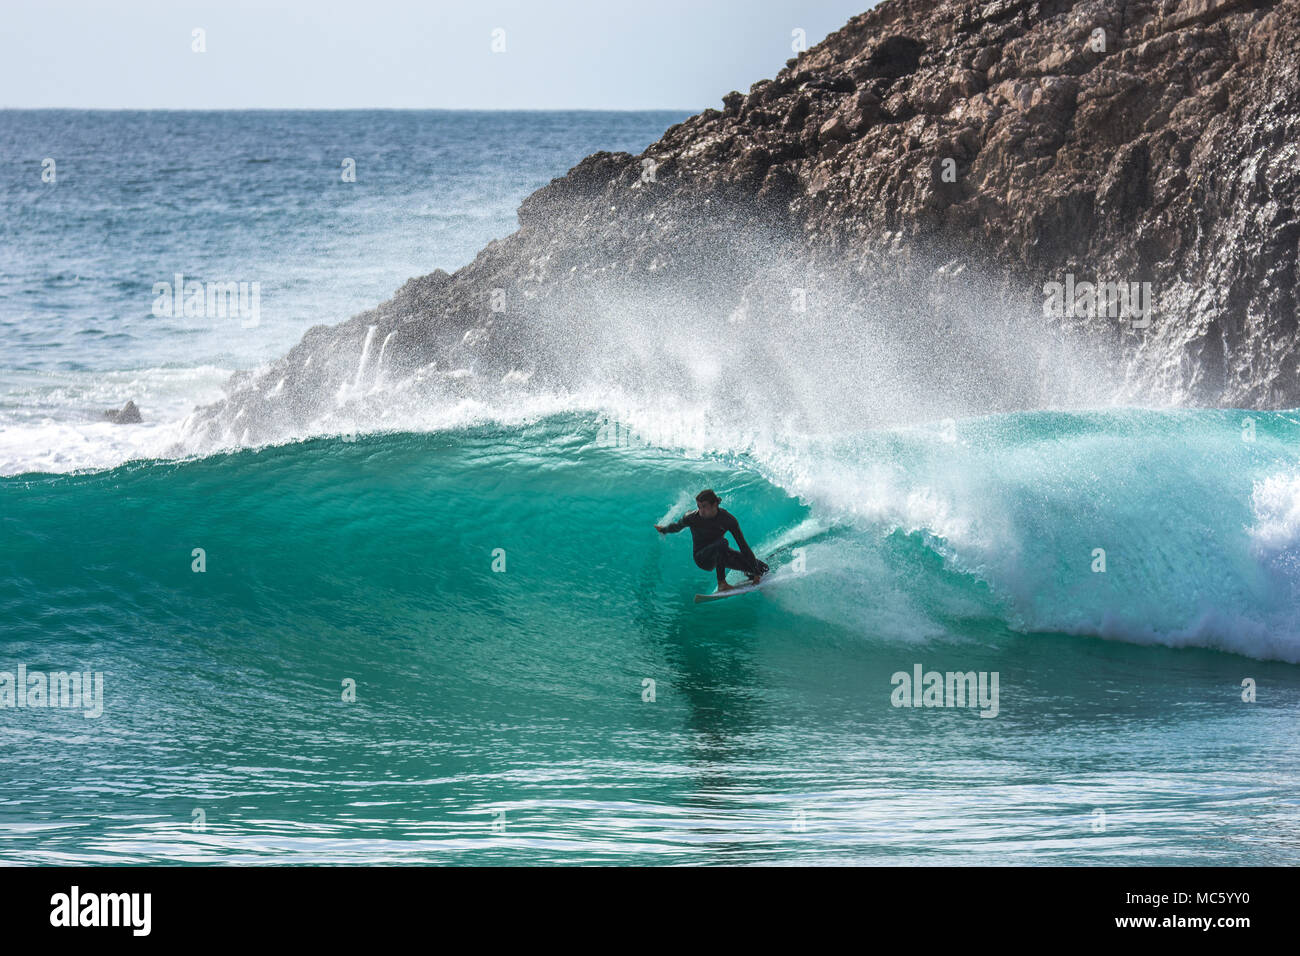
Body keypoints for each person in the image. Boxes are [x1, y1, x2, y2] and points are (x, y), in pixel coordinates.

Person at [655, 489, 769, 591]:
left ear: (714, 505)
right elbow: (677, 526)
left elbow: (743, 546)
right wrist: (664, 530)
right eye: (699, 506)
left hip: (721, 554)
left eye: (704, 506)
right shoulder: (691, 517)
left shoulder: (728, 520)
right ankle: (722, 583)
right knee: (722, 543)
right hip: (702, 557)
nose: (701, 511)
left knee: (762, 568)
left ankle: (749, 574)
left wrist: (756, 572)